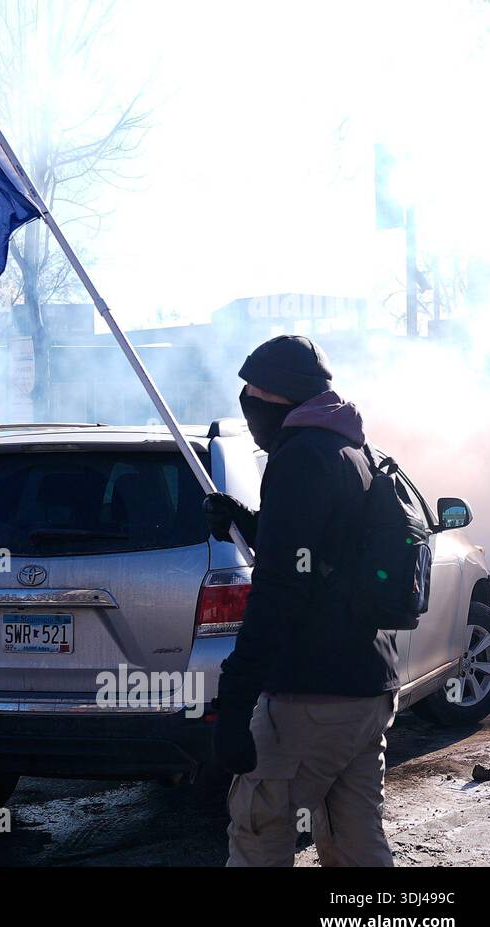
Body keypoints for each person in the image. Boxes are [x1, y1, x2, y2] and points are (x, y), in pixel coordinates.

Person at [204, 335, 399, 867]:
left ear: (278, 397)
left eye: (251, 392)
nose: (245, 402)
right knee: (355, 843)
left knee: (258, 833)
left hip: (310, 695)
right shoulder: (352, 449)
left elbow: (280, 589)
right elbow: (317, 550)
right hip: (367, 686)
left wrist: (235, 698)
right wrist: (246, 519)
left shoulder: (297, 459)